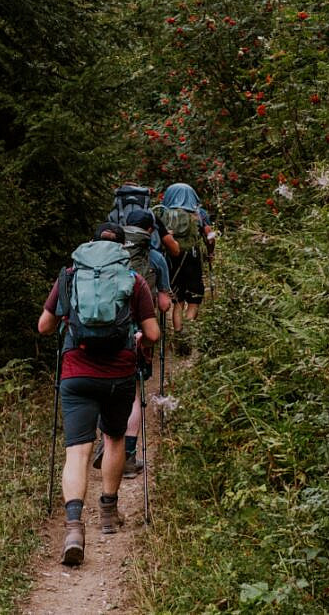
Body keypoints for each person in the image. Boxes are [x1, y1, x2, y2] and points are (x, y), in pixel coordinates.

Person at [38, 222, 160, 566]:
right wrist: (139, 340)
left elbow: (43, 326)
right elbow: (153, 332)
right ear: (121, 250)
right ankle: (108, 513)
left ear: (90, 246)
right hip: (119, 374)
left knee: (76, 452)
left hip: (76, 372)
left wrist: (69, 322)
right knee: (115, 438)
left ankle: (74, 527)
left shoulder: (69, 276)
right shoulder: (133, 280)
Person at [91, 208, 173, 475]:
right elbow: (163, 304)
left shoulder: (95, 262)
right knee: (133, 396)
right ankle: (126, 456)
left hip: (94, 336)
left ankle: (105, 442)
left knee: (101, 390)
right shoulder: (155, 258)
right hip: (135, 338)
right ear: (150, 231)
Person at [155, 183, 215, 354]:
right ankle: (187, 336)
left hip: (171, 260)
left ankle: (179, 336)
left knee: (178, 301)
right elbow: (210, 236)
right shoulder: (199, 214)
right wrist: (211, 252)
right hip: (193, 258)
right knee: (194, 300)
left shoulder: (163, 215)